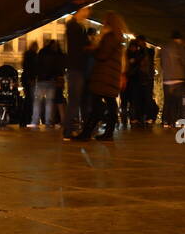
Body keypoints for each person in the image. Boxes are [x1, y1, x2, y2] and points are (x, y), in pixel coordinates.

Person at [74, 13, 128, 141]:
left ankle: (87, 134)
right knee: (109, 105)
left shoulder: (109, 37)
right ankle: (105, 133)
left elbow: (103, 55)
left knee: (97, 106)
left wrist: (93, 49)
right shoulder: (117, 36)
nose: (103, 23)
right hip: (110, 76)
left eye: (104, 21)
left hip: (104, 76)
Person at [62, 8, 93, 138]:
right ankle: (68, 131)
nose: (88, 13)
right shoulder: (74, 27)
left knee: (78, 100)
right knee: (75, 100)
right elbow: (80, 47)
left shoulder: (75, 26)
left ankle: (79, 130)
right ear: (80, 11)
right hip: (77, 68)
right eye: (87, 10)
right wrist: (91, 46)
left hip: (77, 67)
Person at [31, 39, 66, 128]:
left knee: (38, 102)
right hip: (51, 81)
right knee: (49, 102)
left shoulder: (42, 52)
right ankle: (48, 122)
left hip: (41, 80)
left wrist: (35, 76)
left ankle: (35, 121)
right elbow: (59, 67)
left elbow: (36, 65)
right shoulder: (57, 55)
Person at [160, 31, 185, 128]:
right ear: (179, 39)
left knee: (168, 101)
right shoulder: (180, 47)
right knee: (178, 102)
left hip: (167, 78)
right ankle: (178, 122)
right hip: (178, 78)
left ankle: (166, 121)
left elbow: (161, 63)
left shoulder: (164, 47)